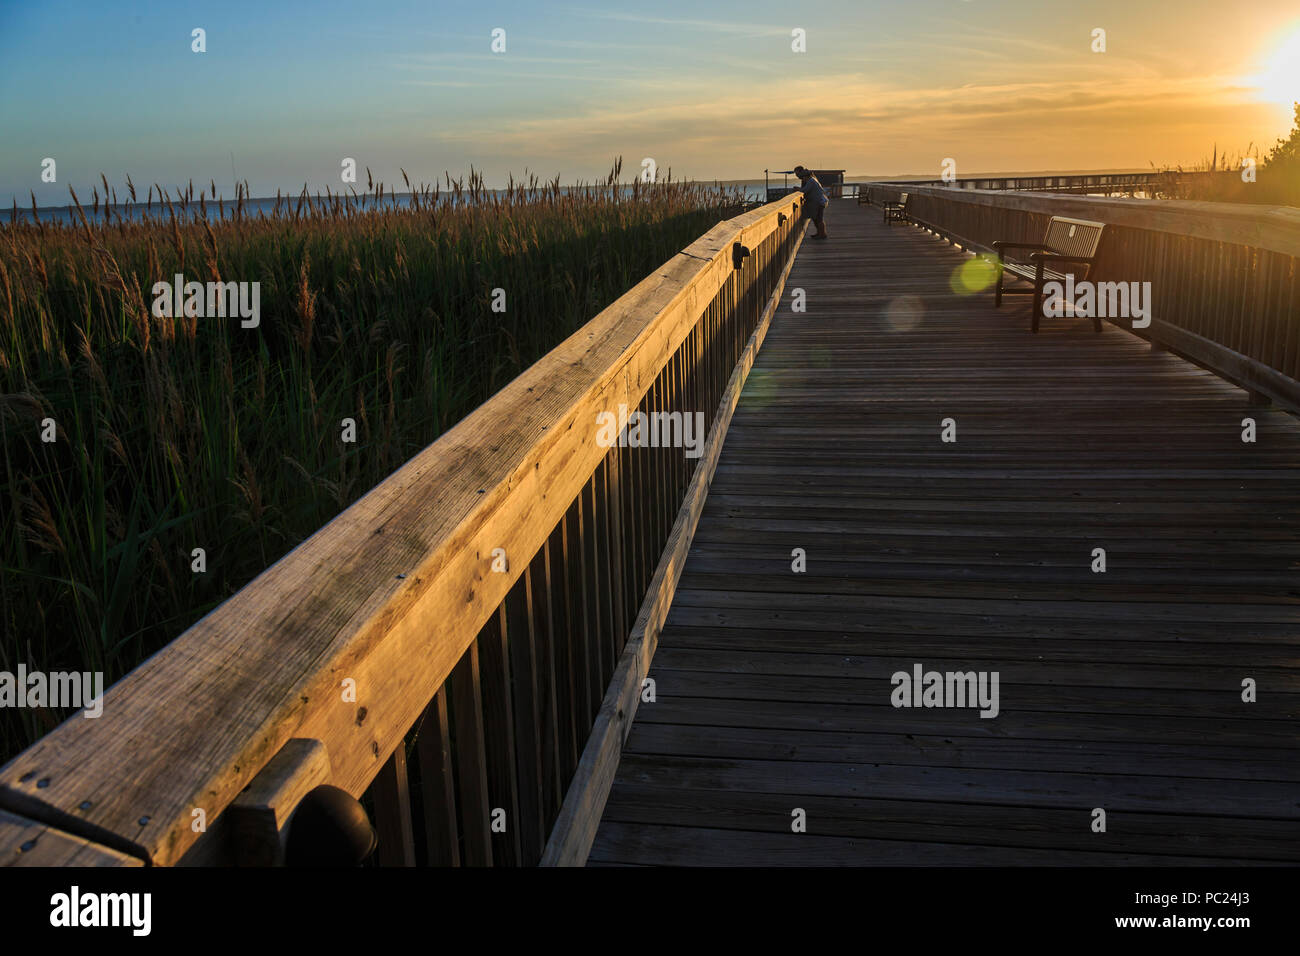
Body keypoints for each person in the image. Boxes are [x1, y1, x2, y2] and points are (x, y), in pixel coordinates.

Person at [793, 165, 828, 239]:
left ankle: (822, 234)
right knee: (816, 218)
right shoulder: (811, 179)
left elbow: (804, 190)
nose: (797, 176)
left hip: (819, 202)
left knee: (819, 219)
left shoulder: (811, 181)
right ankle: (819, 233)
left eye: (797, 174)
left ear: (805, 176)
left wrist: (797, 189)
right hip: (818, 201)